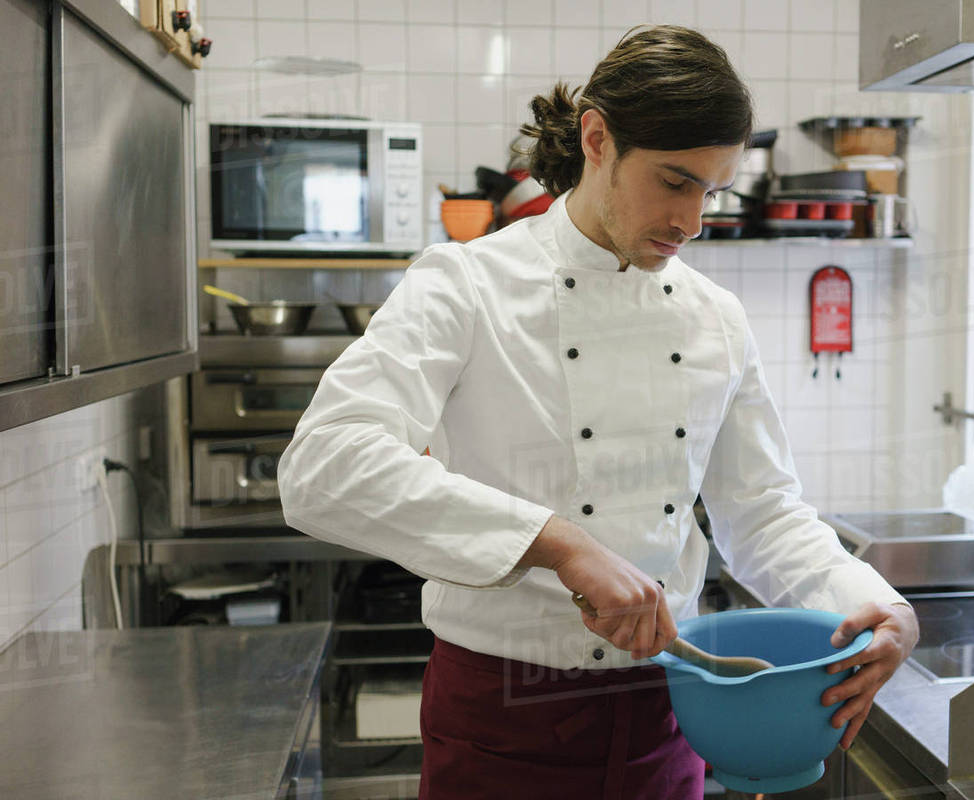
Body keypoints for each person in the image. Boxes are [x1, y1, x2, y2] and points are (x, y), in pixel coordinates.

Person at [278, 24, 918, 800]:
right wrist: (557, 543)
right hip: (502, 717)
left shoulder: (716, 318)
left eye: (712, 193)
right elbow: (322, 467)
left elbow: (762, 514)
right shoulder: (467, 285)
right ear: (596, 140)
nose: (692, 222)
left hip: (670, 708)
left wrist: (873, 604)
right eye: (674, 182)